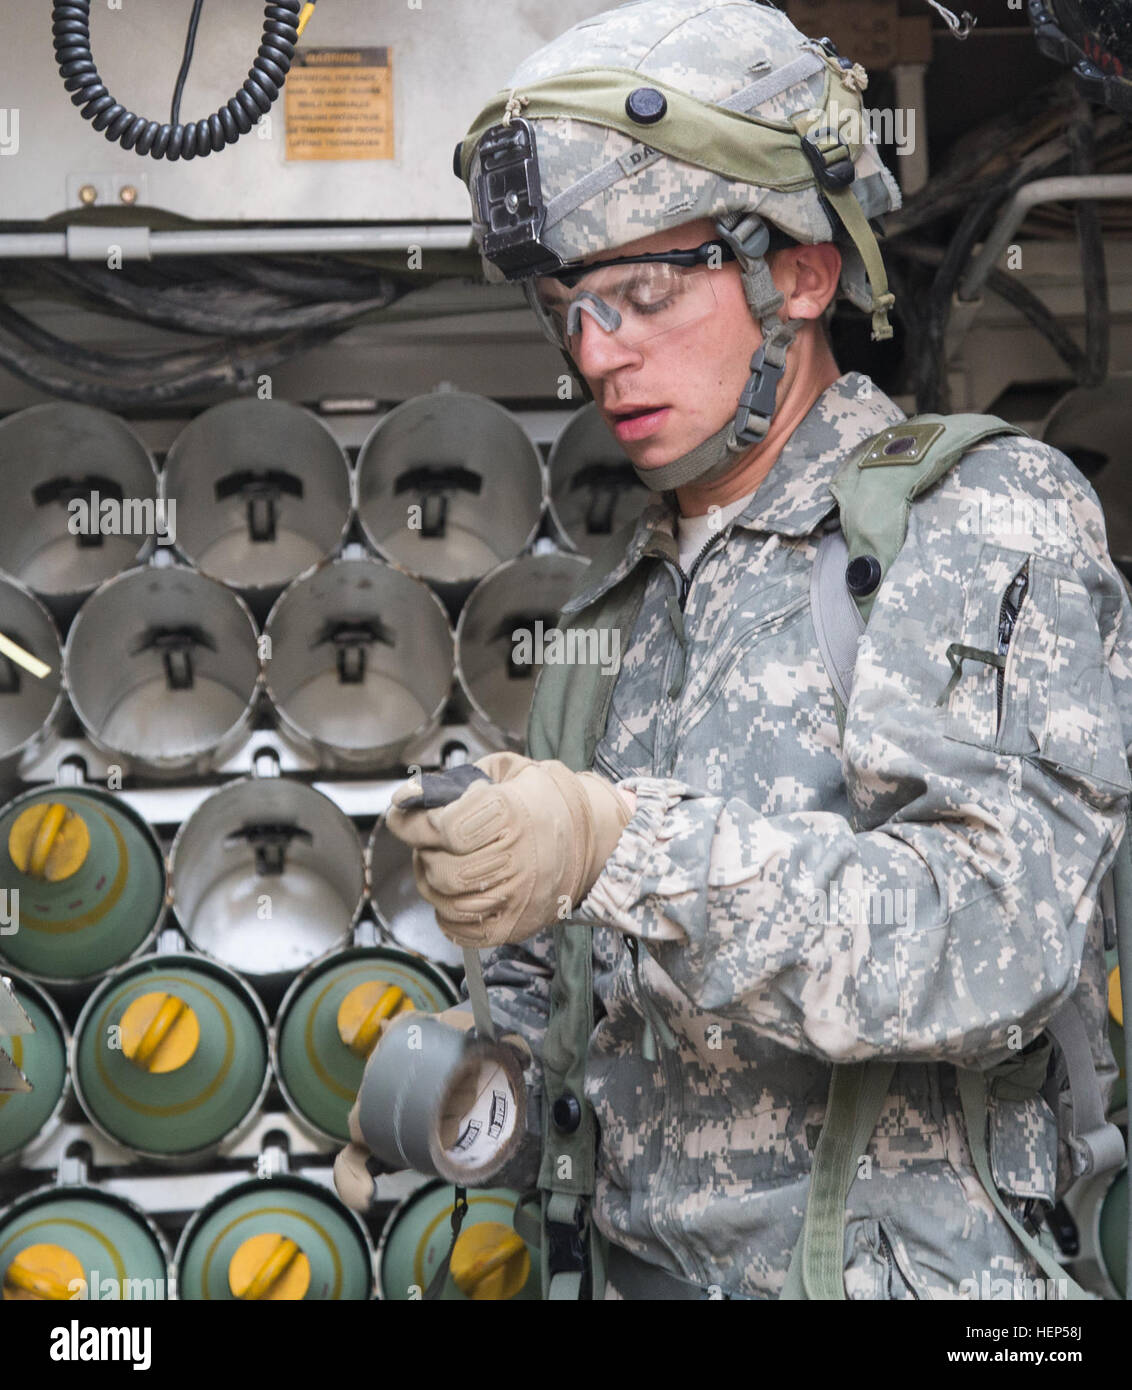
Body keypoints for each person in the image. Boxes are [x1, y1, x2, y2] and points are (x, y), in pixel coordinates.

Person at [338, 0, 1132, 1300]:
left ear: (802, 274)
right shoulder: (618, 614)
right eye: (567, 309)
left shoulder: (972, 521)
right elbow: (583, 995)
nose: (598, 354)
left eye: (644, 294)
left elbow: (996, 944)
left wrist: (613, 841)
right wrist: (477, 1073)